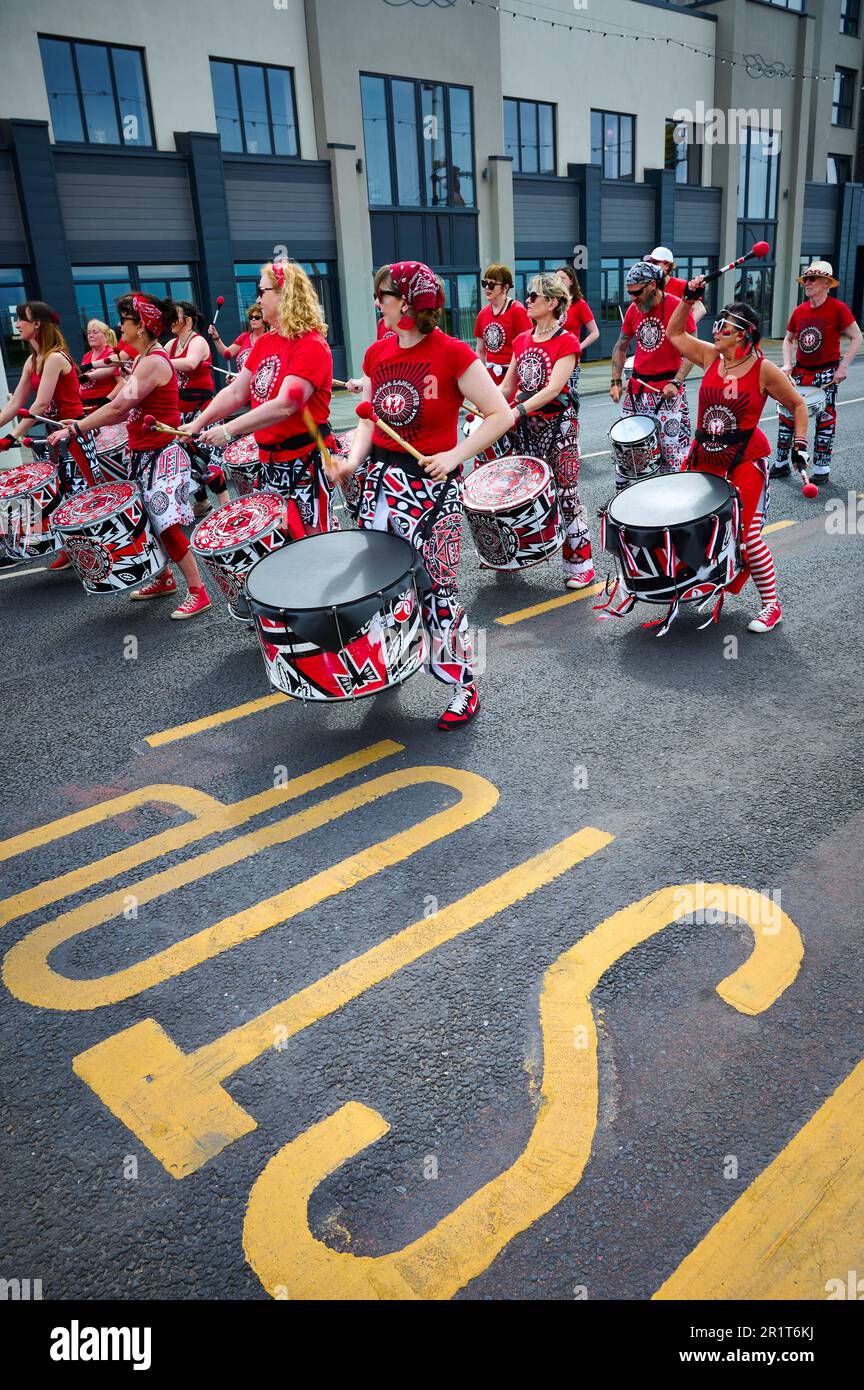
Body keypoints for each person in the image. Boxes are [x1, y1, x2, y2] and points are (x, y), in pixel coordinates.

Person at [330, 260, 511, 730]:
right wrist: (351, 462)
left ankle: (465, 684)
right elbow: (370, 419)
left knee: (439, 591)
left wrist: (455, 455)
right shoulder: (376, 354)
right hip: (380, 488)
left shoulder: (452, 354)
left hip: (432, 490)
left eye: (384, 295)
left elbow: (499, 415)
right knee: (383, 587)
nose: (378, 302)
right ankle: (391, 663)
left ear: (408, 302)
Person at [50, 292, 211, 619]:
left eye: (125, 321)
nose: (119, 326)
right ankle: (164, 578)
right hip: (142, 452)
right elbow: (122, 406)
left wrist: (76, 428)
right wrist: (82, 420)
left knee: (164, 524)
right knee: (146, 520)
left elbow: (120, 407)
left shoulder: (153, 362)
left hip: (161, 455)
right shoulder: (144, 359)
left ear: (142, 327)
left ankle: (199, 591)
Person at [666, 279, 809, 634]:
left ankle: (771, 605)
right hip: (703, 459)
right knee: (685, 527)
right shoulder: (710, 356)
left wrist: (800, 443)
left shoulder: (764, 370)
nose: (716, 331)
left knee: (749, 536)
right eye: (717, 325)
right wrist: (687, 300)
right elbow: (674, 335)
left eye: (724, 327)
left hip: (744, 461)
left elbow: (798, 404)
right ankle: (699, 582)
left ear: (743, 334)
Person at [182, 260, 337, 536]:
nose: (257, 299)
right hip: (272, 462)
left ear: (285, 294)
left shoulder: (311, 344)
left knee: (315, 544)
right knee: (281, 543)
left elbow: (286, 404)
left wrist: (228, 430)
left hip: (307, 460)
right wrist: (199, 423)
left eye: (263, 291)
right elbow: (236, 391)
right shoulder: (265, 342)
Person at [499, 272, 594, 590]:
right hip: (528, 427)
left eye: (533, 296)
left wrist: (518, 409)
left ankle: (582, 564)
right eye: (528, 296)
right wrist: (482, 405)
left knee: (567, 494)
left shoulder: (566, 341)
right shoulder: (521, 340)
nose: (527, 300)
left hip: (560, 426)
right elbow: (507, 387)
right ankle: (522, 554)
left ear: (551, 302)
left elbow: (554, 389)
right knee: (524, 493)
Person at [0, 300, 94, 571]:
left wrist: (12, 437)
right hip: (53, 436)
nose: (17, 324)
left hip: (74, 434)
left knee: (80, 494)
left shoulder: (54, 357)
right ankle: (72, 547)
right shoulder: (33, 360)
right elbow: (15, 402)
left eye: (22, 319)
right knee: (60, 493)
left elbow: (39, 405)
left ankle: (92, 551)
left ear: (37, 324)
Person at [772, 260, 863, 485]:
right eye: (806, 279)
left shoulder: (838, 308)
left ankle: (821, 468)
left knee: (825, 420)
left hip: (826, 373)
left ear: (826, 283)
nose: (807, 283)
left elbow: (857, 337)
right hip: (800, 373)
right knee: (787, 416)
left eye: (812, 279)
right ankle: (782, 463)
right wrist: (787, 363)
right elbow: (788, 339)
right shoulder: (799, 311)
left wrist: (843, 367)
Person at [611, 261, 695, 487]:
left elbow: (692, 352)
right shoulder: (632, 311)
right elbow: (620, 346)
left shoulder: (679, 308)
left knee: (671, 454)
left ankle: (672, 505)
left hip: (667, 392)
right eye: (630, 293)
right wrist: (616, 380)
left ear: (653, 285)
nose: (633, 298)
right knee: (626, 449)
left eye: (637, 292)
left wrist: (676, 382)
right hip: (637, 392)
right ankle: (624, 501)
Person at [167, 301, 229, 514]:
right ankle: (202, 502)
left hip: (203, 411)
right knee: (188, 460)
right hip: (181, 413)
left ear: (189, 319)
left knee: (207, 460)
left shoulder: (198, 341)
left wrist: (159, 361)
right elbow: (154, 357)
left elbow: (191, 363)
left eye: (176, 316)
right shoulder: (172, 345)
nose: (172, 321)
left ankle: (226, 506)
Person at [473, 265, 531, 385]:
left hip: (513, 378)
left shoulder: (517, 310)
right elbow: (480, 351)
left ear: (505, 287)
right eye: (485, 283)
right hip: (490, 378)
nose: (487, 288)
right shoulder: (482, 314)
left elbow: (527, 347)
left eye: (492, 285)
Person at [556, 266, 599, 389]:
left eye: (562, 278)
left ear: (571, 281)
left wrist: (578, 347)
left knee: (568, 395)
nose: (559, 282)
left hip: (569, 357)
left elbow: (595, 332)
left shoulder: (580, 305)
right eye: (556, 279)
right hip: (552, 355)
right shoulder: (551, 303)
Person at [644, 247, 707, 325]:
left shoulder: (681, 284)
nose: (650, 266)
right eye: (649, 262)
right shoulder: (648, 287)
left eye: (654, 262)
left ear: (667, 265)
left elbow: (700, 310)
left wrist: (681, 329)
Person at [208, 304, 268, 373]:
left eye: (257, 317)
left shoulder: (270, 338)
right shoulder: (245, 337)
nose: (253, 319)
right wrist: (216, 338)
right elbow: (227, 353)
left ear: (264, 320)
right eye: (251, 317)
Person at [79, 320, 118, 413]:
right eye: (88, 333)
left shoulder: (111, 355)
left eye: (95, 332)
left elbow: (122, 383)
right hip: (88, 407)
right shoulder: (86, 356)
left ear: (106, 336)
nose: (90, 335)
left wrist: (106, 401)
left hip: (106, 406)